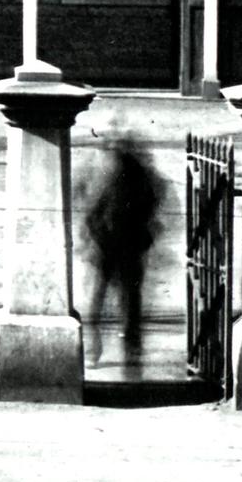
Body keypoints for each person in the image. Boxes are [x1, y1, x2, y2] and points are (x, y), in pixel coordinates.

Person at [80, 130, 169, 373]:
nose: (114, 150)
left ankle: (129, 349)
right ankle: (96, 350)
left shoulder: (134, 173)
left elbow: (152, 200)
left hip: (125, 247)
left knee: (126, 302)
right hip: (105, 248)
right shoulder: (100, 171)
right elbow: (89, 207)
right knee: (98, 303)